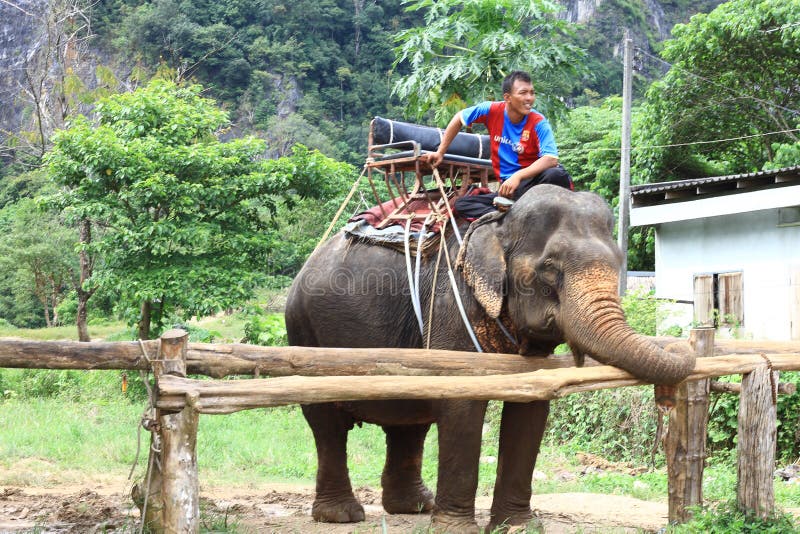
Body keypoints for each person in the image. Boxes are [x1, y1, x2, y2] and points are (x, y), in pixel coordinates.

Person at [425, 71, 573, 219]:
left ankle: (512, 213)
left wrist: (517, 177)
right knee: (462, 205)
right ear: (507, 97)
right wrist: (440, 152)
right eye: (523, 93)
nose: (529, 98)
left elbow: (551, 159)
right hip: (509, 191)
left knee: (556, 174)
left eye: (532, 93)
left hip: (533, 183)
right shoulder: (491, 110)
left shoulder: (538, 122)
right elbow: (459, 118)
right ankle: (512, 216)